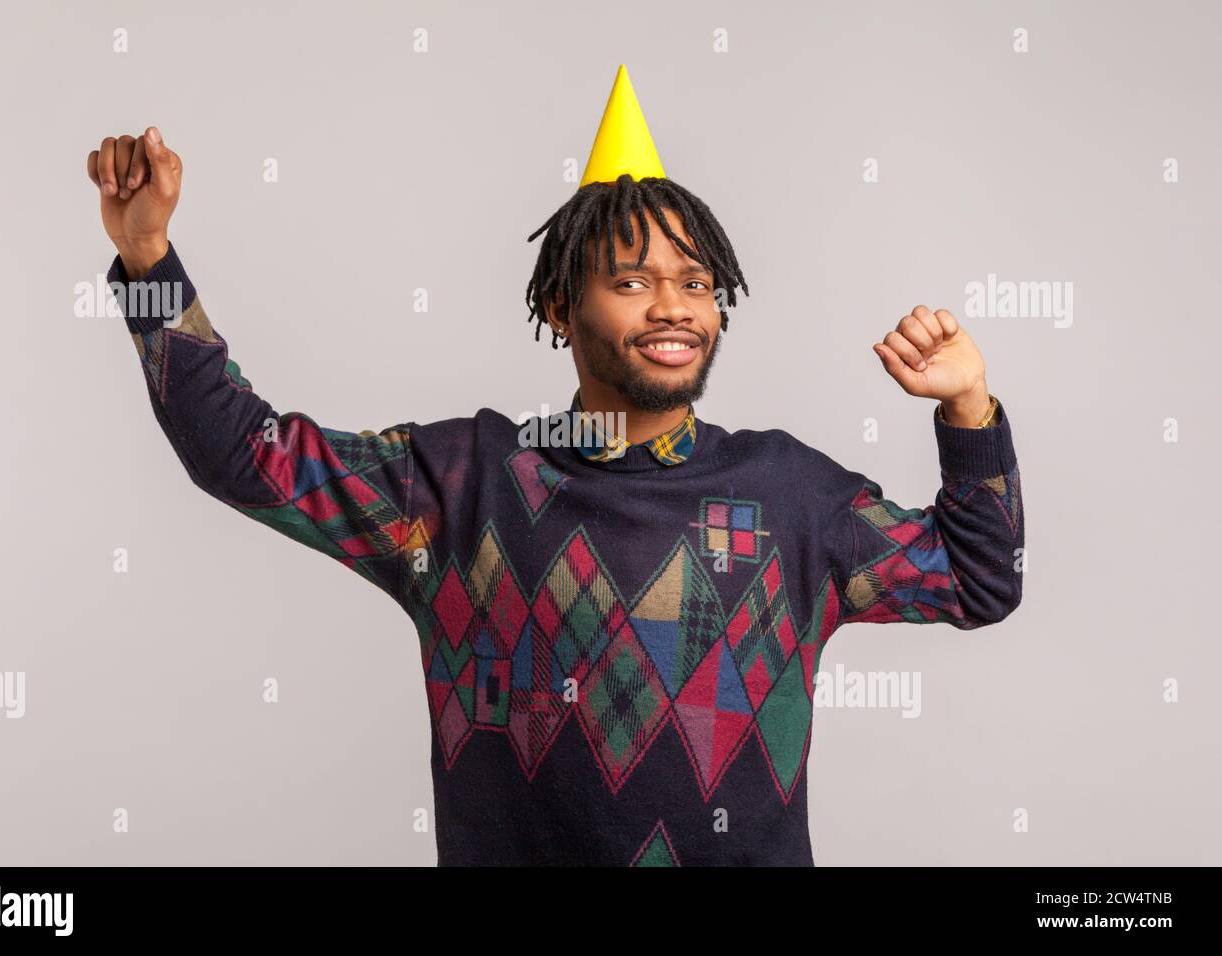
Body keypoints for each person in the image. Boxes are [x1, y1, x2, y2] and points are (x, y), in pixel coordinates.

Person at [87, 65, 1023, 866]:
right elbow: (243, 453)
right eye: (632, 281)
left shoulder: (789, 495)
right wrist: (147, 258)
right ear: (561, 308)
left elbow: (980, 579)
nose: (673, 306)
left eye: (696, 283)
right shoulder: (458, 485)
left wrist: (968, 408)